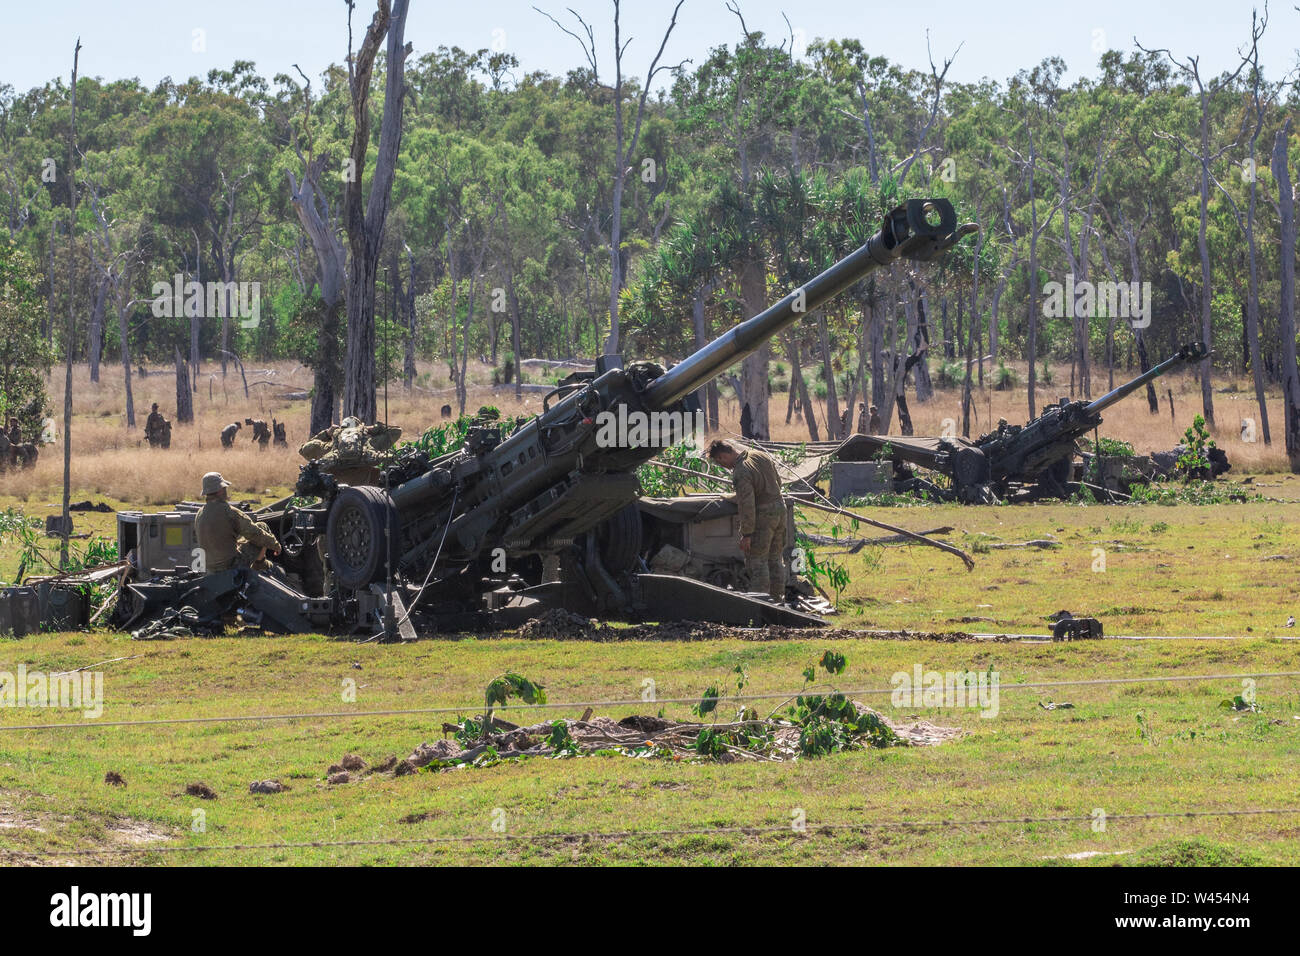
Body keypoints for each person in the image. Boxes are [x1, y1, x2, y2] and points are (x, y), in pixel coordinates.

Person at [706, 438, 787, 601]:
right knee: (776, 559)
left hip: (763, 517)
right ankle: (779, 600)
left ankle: (761, 604)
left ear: (722, 457)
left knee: (757, 561)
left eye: (720, 462)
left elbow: (747, 504)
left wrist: (747, 534)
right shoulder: (760, 455)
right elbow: (778, 482)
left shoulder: (741, 471)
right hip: (780, 509)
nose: (723, 466)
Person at [193, 472, 280, 573]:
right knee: (262, 526)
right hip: (231, 566)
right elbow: (254, 533)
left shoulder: (200, 513)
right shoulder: (229, 512)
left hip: (209, 568)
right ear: (220, 490)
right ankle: (260, 565)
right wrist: (276, 545)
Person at [299, 416, 402, 485]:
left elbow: (304, 450)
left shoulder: (328, 447)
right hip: (366, 492)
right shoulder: (371, 442)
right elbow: (396, 431)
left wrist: (326, 434)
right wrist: (372, 429)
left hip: (336, 494)